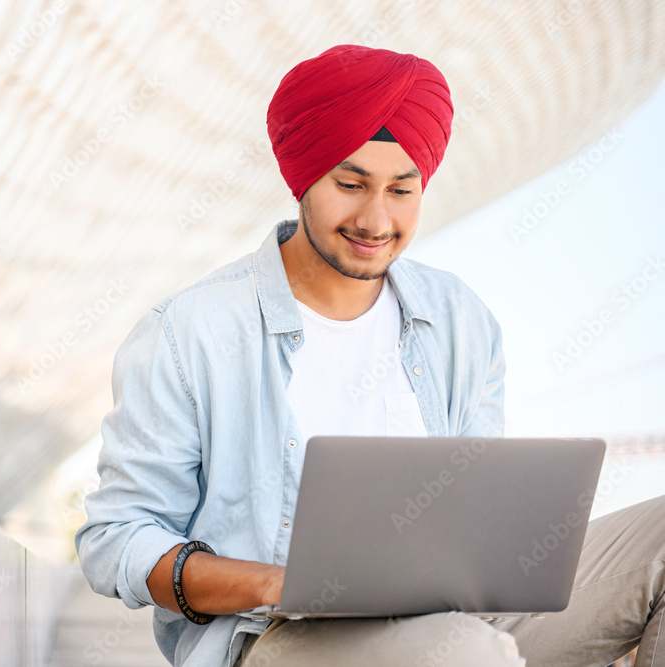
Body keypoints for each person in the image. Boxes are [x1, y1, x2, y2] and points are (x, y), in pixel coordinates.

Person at [75, 44, 665, 667]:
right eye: (351, 184)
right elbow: (116, 538)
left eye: (402, 190)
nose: (375, 218)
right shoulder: (190, 331)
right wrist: (278, 583)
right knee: (464, 653)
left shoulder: (460, 320)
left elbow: (478, 507)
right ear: (304, 178)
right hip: (279, 636)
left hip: (456, 618)